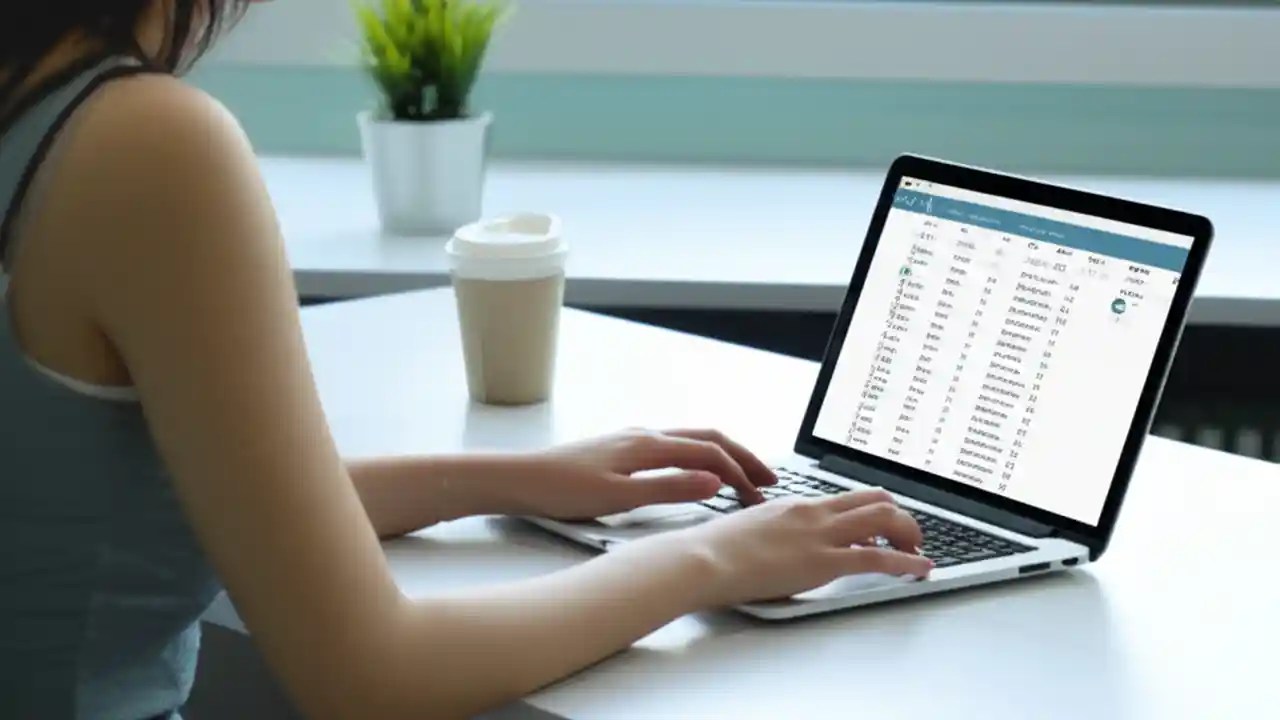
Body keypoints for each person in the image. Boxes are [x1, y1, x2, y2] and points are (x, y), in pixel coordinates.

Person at [0, 2, 934, 718]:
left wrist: (512, 480)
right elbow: (370, 672)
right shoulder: (141, 147)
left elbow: (106, 496)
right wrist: (717, 558)